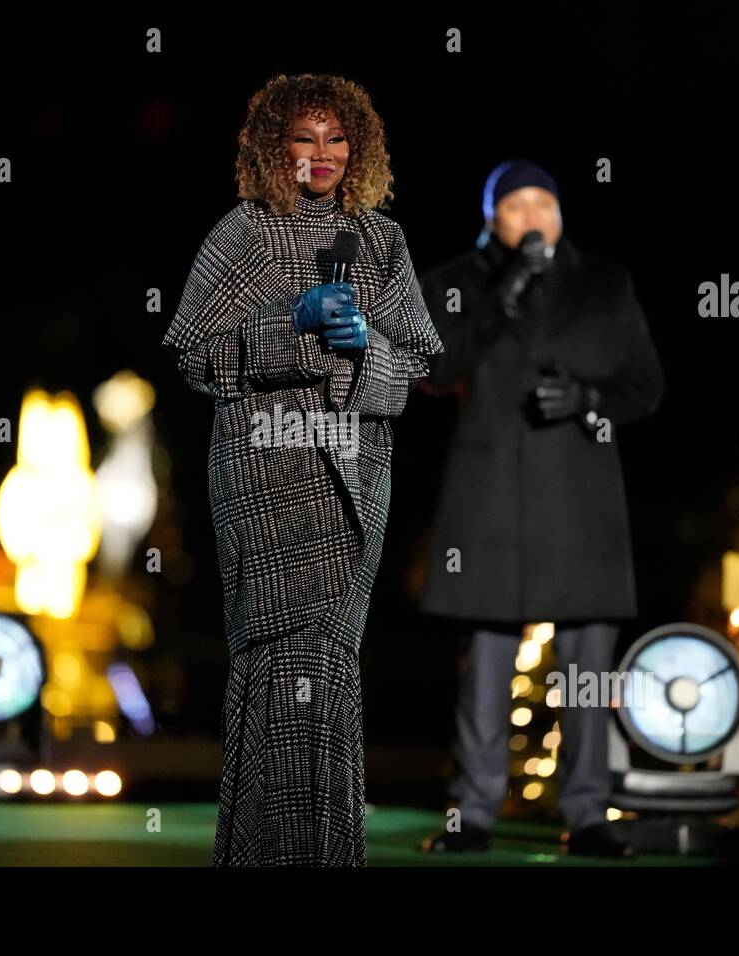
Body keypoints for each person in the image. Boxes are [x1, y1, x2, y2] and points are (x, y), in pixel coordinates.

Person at [162, 73, 442, 865]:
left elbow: (415, 360)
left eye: (336, 139)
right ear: (272, 150)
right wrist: (290, 324)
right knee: (284, 655)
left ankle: (309, 850)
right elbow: (196, 356)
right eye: (303, 139)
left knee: (328, 659)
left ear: (360, 151)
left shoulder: (382, 241)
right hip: (264, 470)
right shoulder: (241, 232)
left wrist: (366, 349)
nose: (320, 155)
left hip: (355, 481)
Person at [416, 161, 663, 857]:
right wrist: (503, 295)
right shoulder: (456, 282)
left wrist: (588, 401)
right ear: (493, 216)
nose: (532, 216)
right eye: (515, 205)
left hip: (580, 501)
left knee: (586, 665)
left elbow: (645, 386)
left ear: (560, 214)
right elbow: (435, 368)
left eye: (543, 204)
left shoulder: (605, 284)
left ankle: (587, 812)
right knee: (486, 665)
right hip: (489, 500)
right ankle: (474, 812)